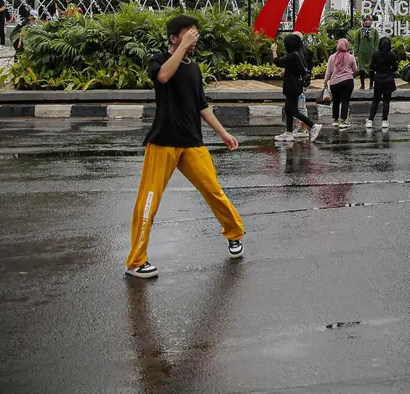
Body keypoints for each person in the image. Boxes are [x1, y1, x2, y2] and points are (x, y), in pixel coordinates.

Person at [124, 15, 244, 279]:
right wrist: (180, 50)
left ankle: (234, 234)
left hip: (192, 143)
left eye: (195, 32)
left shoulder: (194, 68)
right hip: (163, 141)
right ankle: (136, 261)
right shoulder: (159, 60)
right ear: (173, 38)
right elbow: (164, 77)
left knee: (213, 190)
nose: (194, 37)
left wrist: (223, 133)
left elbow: (201, 105)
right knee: (149, 201)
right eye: (188, 33)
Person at [272, 34, 321, 143]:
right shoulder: (299, 54)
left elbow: (277, 62)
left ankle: (313, 126)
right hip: (295, 84)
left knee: (292, 109)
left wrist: (274, 50)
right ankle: (289, 133)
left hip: (292, 85)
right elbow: (295, 68)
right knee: (288, 109)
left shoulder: (293, 55)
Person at [322, 38, 357, 128]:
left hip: (334, 83)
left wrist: (325, 81)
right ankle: (343, 120)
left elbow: (329, 71)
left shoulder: (332, 57)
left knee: (336, 101)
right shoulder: (351, 57)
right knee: (345, 101)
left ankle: (335, 120)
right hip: (347, 82)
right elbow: (355, 70)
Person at [366, 37, 398, 130]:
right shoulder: (392, 55)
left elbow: (371, 66)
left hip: (379, 78)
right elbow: (395, 68)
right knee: (386, 101)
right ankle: (384, 120)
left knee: (376, 100)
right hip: (388, 78)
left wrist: (377, 70)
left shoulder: (376, 54)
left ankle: (370, 120)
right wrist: (390, 71)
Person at [353, 16, 378, 90]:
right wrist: (356, 54)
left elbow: (376, 43)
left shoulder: (374, 31)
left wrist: (376, 53)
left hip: (371, 53)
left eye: (369, 20)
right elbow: (356, 43)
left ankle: (371, 85)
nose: (368, 21)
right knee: (361, 70)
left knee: (372, 69)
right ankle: (362, 85)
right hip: (362, 53)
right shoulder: (359, 31)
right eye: (366, 20)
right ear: (363, 21)